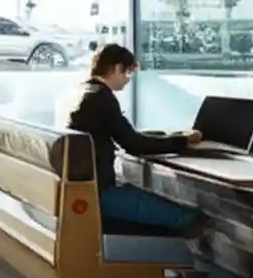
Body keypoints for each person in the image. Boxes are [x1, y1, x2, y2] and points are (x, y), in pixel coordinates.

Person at [65, 43, 204, 237]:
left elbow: (126, 135)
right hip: (101, 193)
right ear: (116, 68)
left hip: (81, 189)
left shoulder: (81, 92)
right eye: (128, 72)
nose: (128, 80)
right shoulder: (101, 98)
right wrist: (183, 141)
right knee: (191, 219)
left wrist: (173, 137)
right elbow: (134, 145)